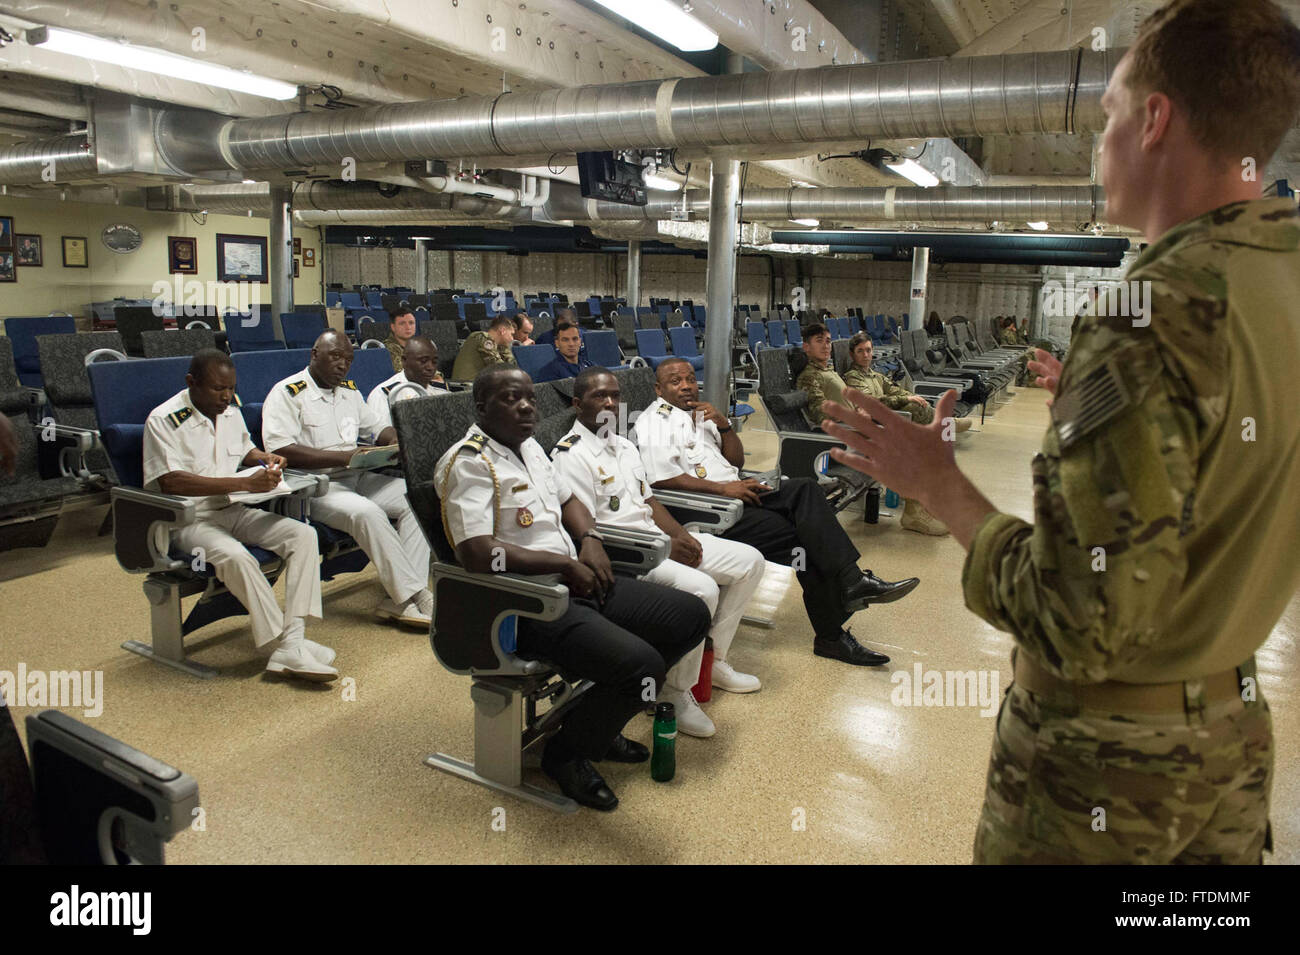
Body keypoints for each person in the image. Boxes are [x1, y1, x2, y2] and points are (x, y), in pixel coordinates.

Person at [819, 0, 1300, 865]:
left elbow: (1078, 620)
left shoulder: (1153, 314)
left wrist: (941, 486)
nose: (1098, 140)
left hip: (1109, 773)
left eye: (1110, 112)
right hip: (1229, 743)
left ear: (1154, 121)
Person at [437, 366, 709, 811]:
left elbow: (569, 501)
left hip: (573, 582)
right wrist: (563, 563)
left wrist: (590, 540)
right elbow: (478, 554)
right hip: (523, 604)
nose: (525, 407)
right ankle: (567, 755)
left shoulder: (530, 450)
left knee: (690, 615)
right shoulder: (469, 462)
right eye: (510, 398)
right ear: (482, 406)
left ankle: (596, 727)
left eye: (530, 398)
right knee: (641, 667)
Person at [633, 357, 919, 667]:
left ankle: (849, 587)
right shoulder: (654, 422)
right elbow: (661, 478)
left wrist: (725, 426)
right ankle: (836, 623)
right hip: (712, 511)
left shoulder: (701, 416)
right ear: (658, 388)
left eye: (690, 378)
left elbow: (737, 462)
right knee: (808, 540)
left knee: (806, 491)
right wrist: (724, 490)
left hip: (740, 492)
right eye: (676, 381)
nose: (687, 386)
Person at [551, 368, 767, 738]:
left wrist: (680, 536)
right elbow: (585, 528)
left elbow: (648, 499)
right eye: (599, 397)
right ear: (577, 404)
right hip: (628, 553)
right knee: (703, 590)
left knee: (750, 562)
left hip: (658, 539)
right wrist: (662, 546)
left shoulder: (623, 445)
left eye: (615, 397)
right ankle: (674, 693)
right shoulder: (570, 454)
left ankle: (713, 663)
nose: (609, 403)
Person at [142, 349, 334, 681]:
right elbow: (171, 481)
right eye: (218, 389)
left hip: (230, 508)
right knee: (237, 556)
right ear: (192, 383)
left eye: (231, 388)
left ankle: (293, 638)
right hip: (186, 521)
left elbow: (244, 450)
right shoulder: (164, 420)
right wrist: (243, 483)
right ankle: (283, 646)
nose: (227, 396)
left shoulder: (230, 412)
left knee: (303, 535)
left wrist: (266, 459)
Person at [262, 330, 434, 627]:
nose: (343, 365)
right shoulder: (288, 393)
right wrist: (345, 457)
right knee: (367, 512)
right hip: (316, 487)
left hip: (358, 476)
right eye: (336, 356)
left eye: (349, 359)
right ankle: (412, 595)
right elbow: (279, 449)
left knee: (416, 497)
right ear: (315, 354)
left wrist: (397, 443)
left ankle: (403, 596)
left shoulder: (349, 392)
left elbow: (378, 429)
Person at [823, 330, 962, 536]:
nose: (866, 355)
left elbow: (895, 390)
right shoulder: (852, 377)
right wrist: (907, 401)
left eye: (869, 350)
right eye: (860, 351)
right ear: (852, 355)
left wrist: (910, 395)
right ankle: (915, 512)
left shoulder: (875, 375)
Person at [365, 336, 447, 434]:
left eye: (434, 362)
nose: (430, 367)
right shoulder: (384, 395)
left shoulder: (440, 392)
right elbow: (381, 435)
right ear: (404, 361)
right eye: (423, 361)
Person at [451, 314, 517, 381]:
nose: (512, 339)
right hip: (466, 385)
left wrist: (505, 348)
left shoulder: (498, 345)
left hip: (479, 385)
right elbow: (498, 367)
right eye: (511, 334)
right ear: (503, 330)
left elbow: (513, 365)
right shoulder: (482, 337)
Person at [382, 306, 419, 372]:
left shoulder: (418, 345)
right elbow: (403, 372)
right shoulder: (387, 349)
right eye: (402, 323)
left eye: (411, 323)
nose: (408, 327)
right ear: (393, 327)